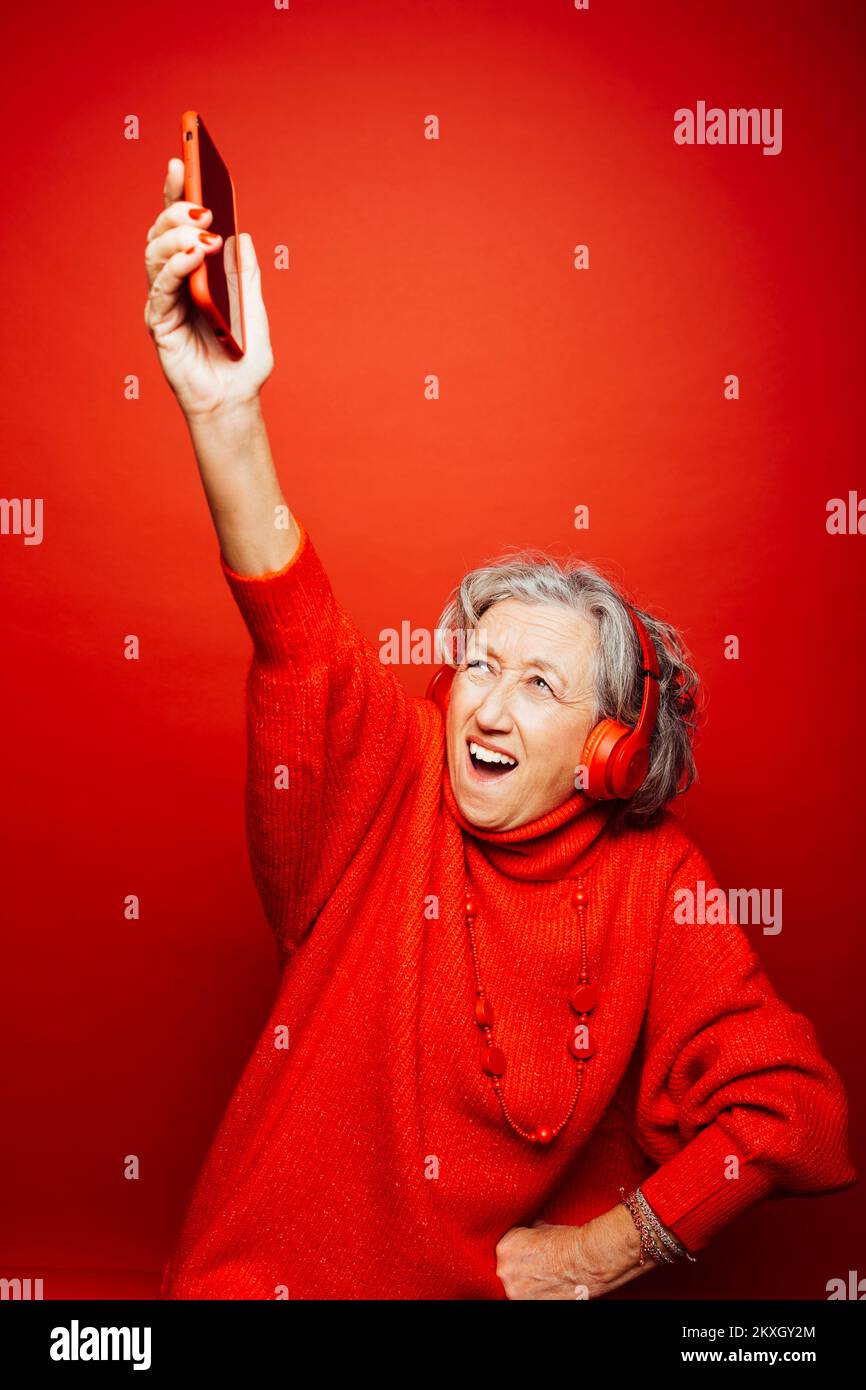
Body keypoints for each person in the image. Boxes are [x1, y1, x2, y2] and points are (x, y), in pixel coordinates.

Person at [144, 158, 856, 1300]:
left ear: (608, 750)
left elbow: (795, 1113)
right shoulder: (399, 777)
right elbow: (298, 629)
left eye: (536, 683)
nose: (485, 701)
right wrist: (223, 413)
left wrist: (603, 1250)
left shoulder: (657, 886)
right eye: (477, 664)